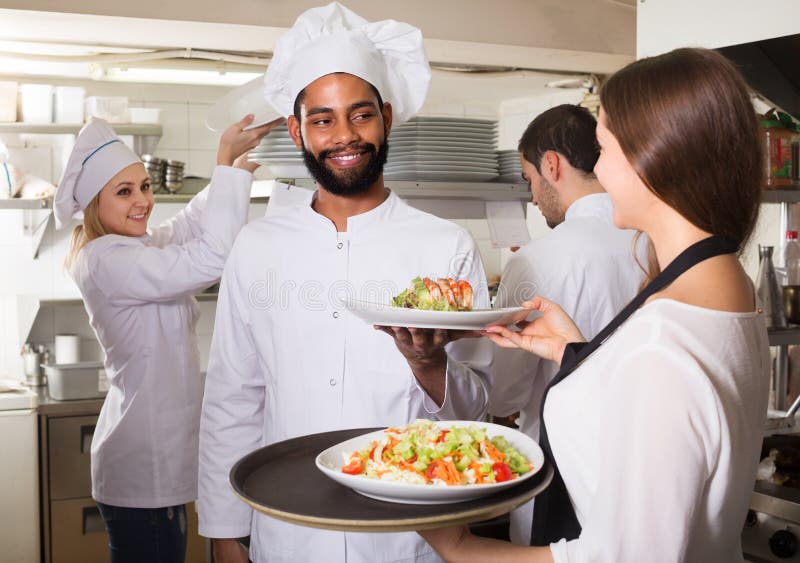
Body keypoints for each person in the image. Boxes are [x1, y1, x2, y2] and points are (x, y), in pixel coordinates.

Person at [421, 47, 769, 563]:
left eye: (603, 150)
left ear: (655, 157)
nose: (599, 171)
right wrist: (577, 352)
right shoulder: (729, 281)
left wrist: (462, 547)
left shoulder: (659, 348)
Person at [198, 3, 492, 563]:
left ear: (385, 116)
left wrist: (433, 370)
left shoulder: (444, 245)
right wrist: (222, 530)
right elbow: (233, 397)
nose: (344, 136)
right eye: (323, 119)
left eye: (360, 115)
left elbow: (477, 409)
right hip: (288, 531)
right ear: (296, 129)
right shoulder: (258, 246)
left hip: (409, 536)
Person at [55, 114, 279, 563]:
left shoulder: (131, 246)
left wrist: (233, 167)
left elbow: (188, 226)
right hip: (144, 469)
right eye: (124, 192)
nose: (142, 201)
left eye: (144, 186)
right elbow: (211, 257)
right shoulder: (107, 260)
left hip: (152, 464)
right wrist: (225, 166)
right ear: (94, 203)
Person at [489, 104, 645, 545]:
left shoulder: (536, 260)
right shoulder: (650, 241)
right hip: (642, 463)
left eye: (530, 180)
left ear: (551, 165)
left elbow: (508, 393)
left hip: (556, 475)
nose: (534, 197)